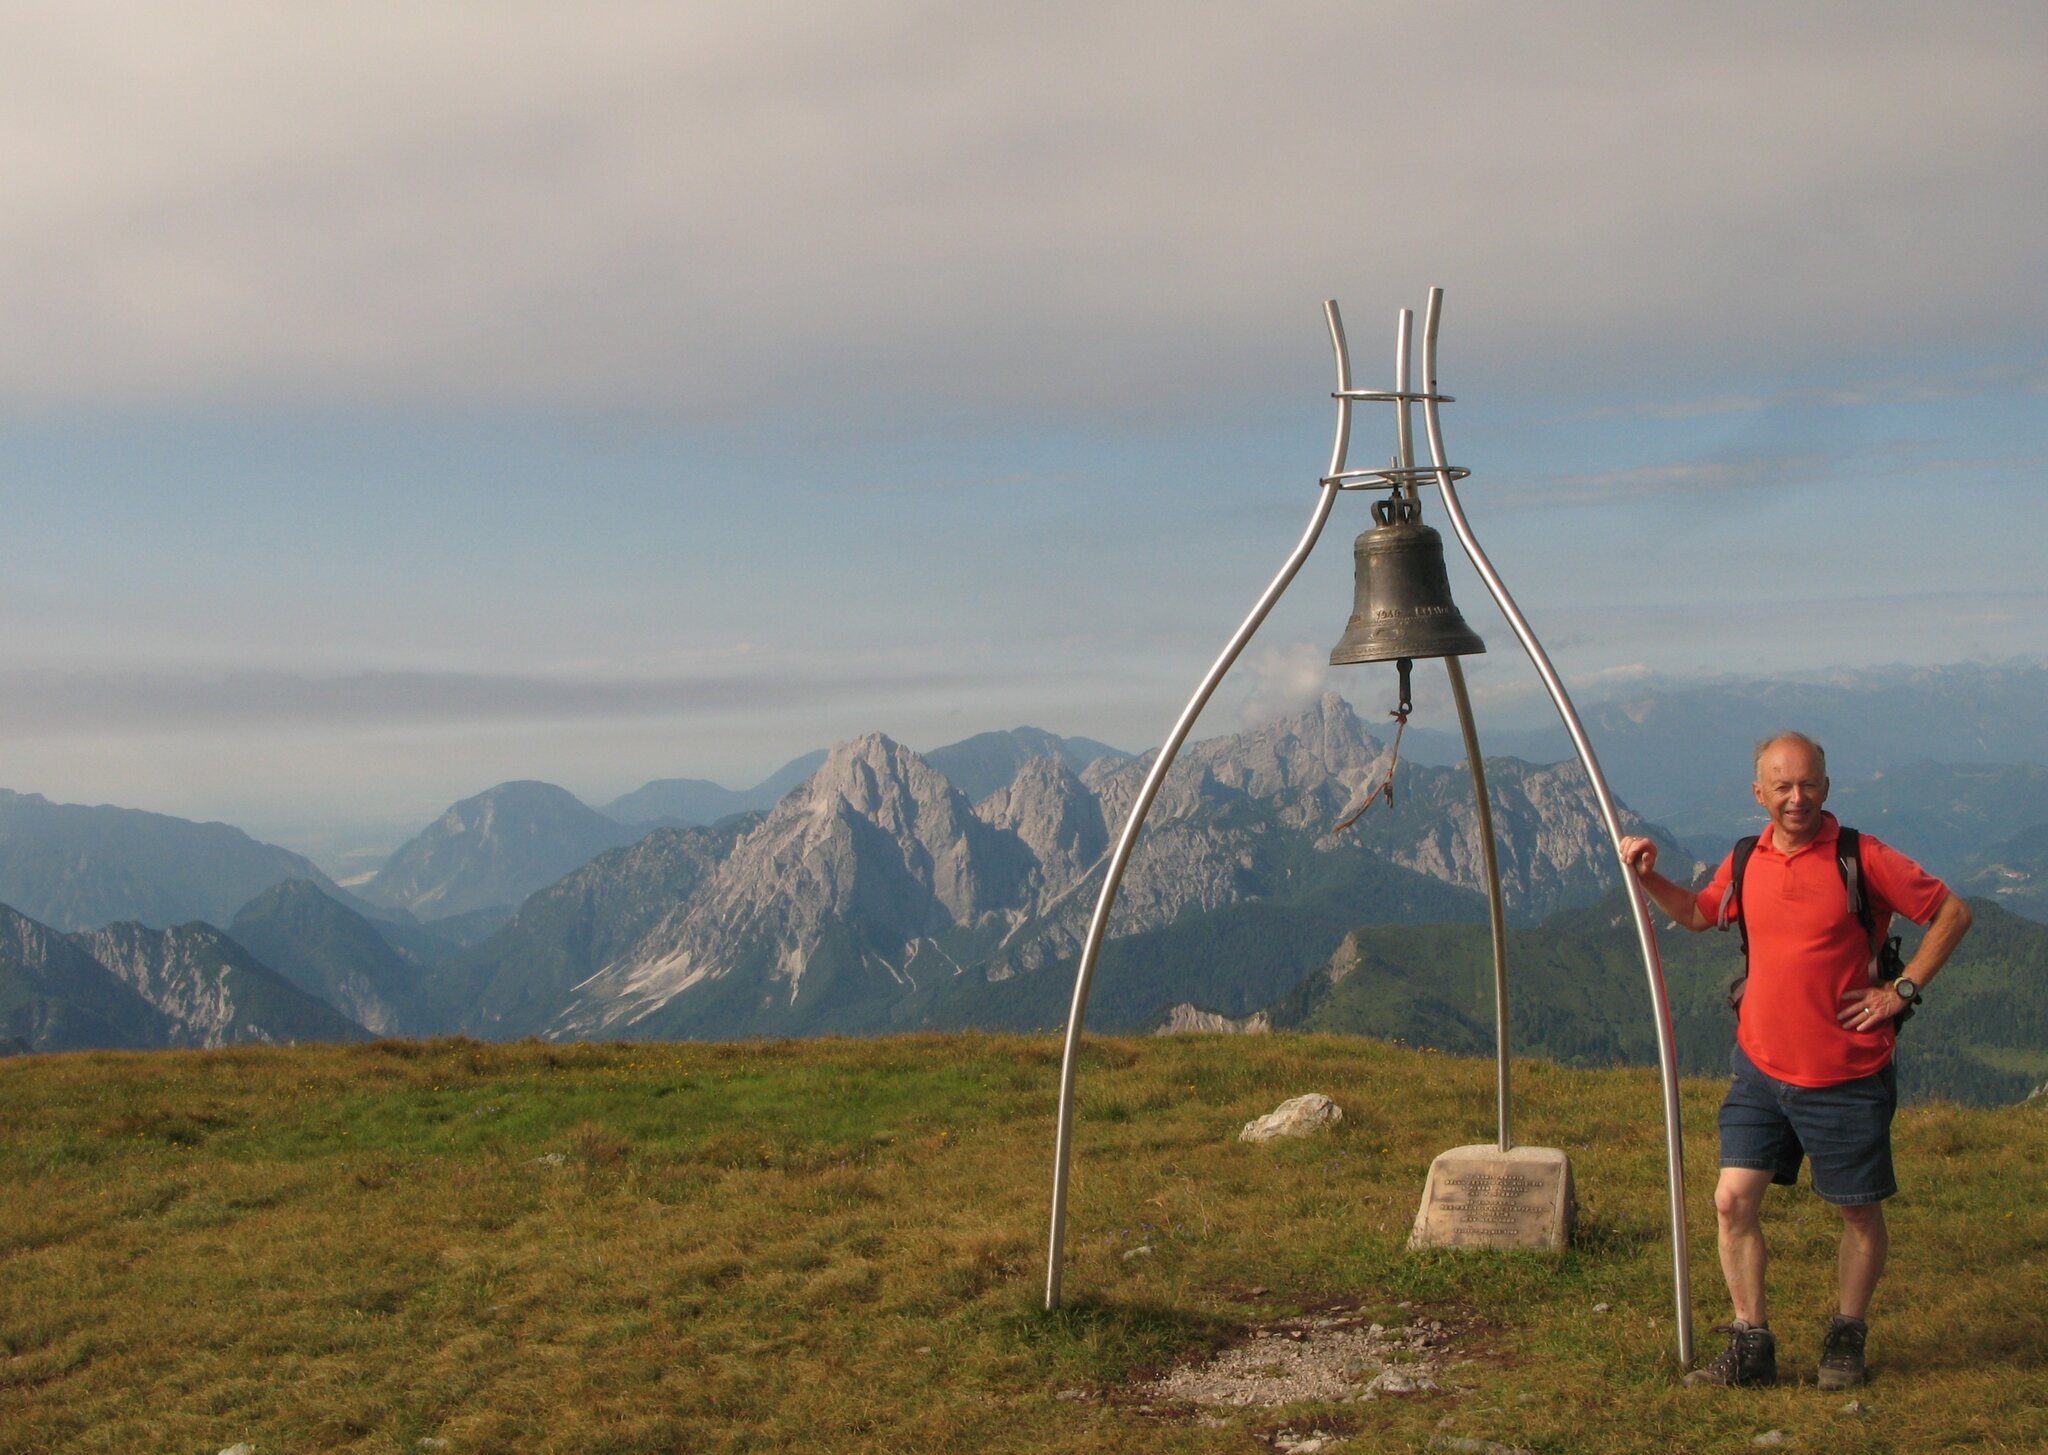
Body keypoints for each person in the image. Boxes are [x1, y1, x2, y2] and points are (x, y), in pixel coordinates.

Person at [1620, 731, 1972, 1389]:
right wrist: (1648, 878)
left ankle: (1846, 1334)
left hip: (1845, 1071)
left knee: (1859, 1211)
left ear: (1826, 788)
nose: (1796, 797)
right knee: (1732, 1201)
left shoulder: (1860, 856)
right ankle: (1751, 1343)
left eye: (1807, 783)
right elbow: (1700, 914)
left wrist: (1902, 989)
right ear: (1760, 793)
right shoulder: (1747, 857)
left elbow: (1952, 911)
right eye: (1781, 786)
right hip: (1759, 1065)